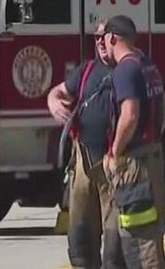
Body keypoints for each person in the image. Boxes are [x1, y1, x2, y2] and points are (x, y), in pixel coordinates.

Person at [46, 22, 124, 269]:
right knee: (80, 243)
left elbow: (159, 108)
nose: (101, 42)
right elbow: (57, 92)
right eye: (97, 37)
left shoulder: (129, 72)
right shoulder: (87, 71)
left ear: (115, 40)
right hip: (83, 164)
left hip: (114, 166)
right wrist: (53, 102)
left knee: (115, 250)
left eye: (105, 37)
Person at [102, 15, 165, 269]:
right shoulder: (147, 65)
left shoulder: (124, 70)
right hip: (153, 160)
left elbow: (130, 113)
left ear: (111, 38)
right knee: (152, 240)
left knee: (141, 247)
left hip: (135, 167)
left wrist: (115, 152)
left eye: (104, 39)